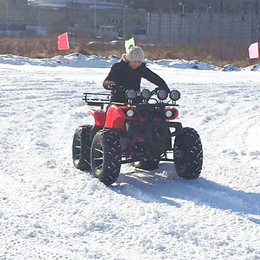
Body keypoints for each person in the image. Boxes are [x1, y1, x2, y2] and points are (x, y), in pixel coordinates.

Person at [103, 46, 170, 102]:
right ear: (129, 59)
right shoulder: (118, 67)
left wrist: (164, 87)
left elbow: (154, 78)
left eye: (139, 62)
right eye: (134, 61)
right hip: (118, 100)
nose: (137, 64)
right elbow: (106, 82)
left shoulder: (141, 68)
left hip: (135, 99)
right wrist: (111, 84)